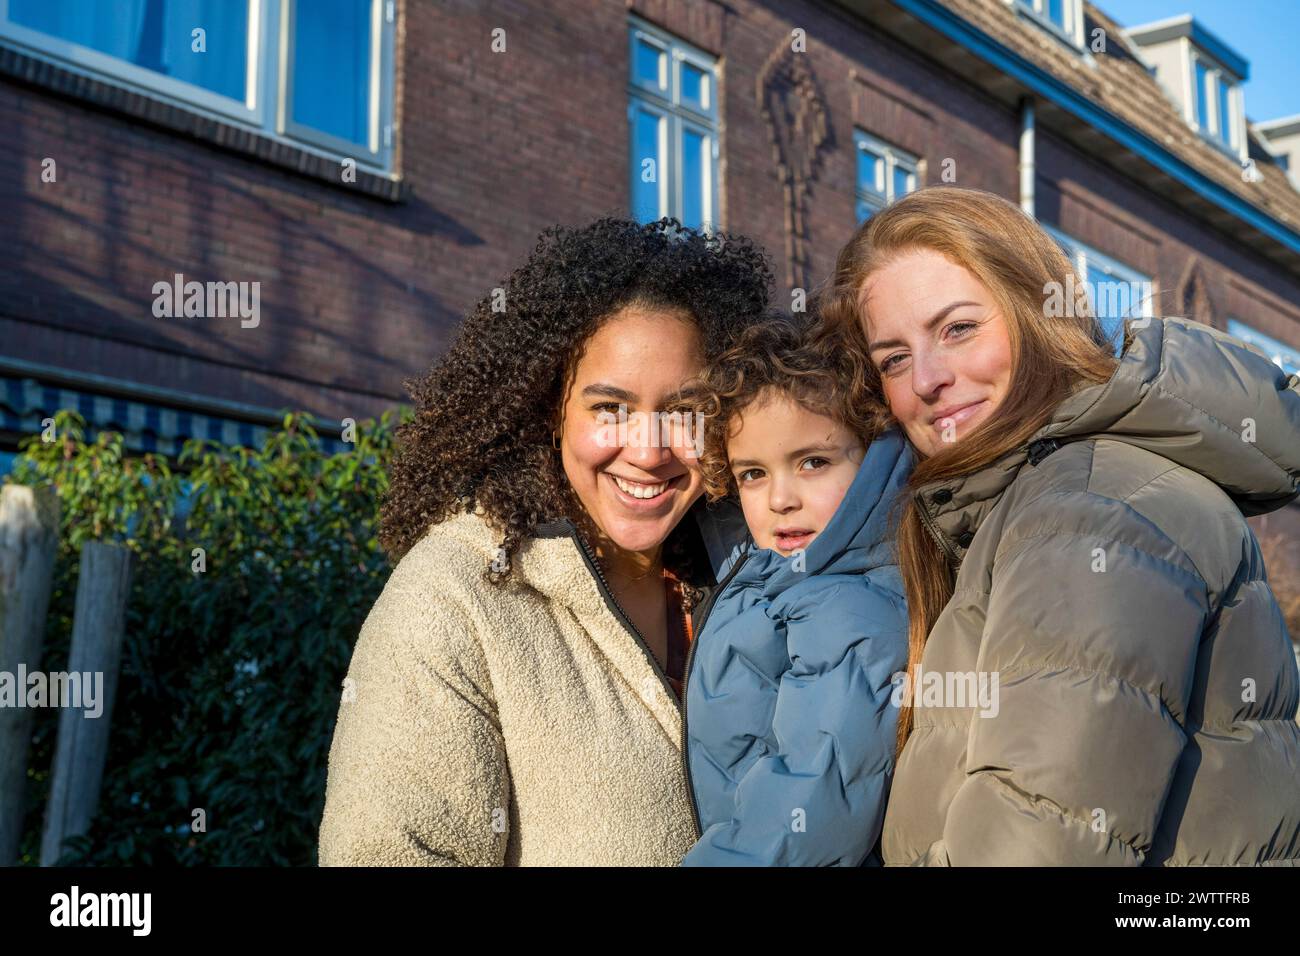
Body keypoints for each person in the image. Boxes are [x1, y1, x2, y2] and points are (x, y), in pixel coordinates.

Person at [816, 185, 1300, 866]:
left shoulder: (1087, 513)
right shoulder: (1034, 500)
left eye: (958, 329)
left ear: (1038, 317)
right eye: (893, 358)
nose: (926, 379)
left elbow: (1037, 844)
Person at [317, 217, 772, 865]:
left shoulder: (758, 570)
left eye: (685, 410)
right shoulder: (455, 594)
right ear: (548, 407)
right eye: (609, 407)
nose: (648, 451)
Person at [678, 315, 910, 866]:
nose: (780, 499)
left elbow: (808, 806)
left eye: (813, 462)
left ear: (876, 462)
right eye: (753, 473)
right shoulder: (778, 581)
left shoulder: (854, 613)